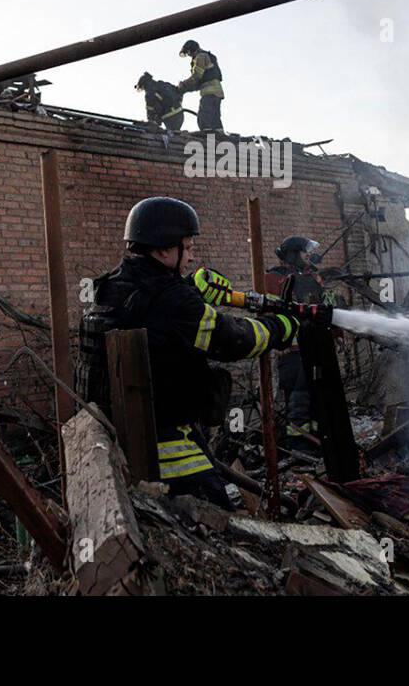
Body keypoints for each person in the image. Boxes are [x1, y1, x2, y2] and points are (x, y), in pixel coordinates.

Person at [82, 197, 298, 507]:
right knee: (217, 519)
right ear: (164, 249)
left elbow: (159, 322)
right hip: (164, 446)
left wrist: (193, 289)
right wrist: (280, 328)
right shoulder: (172, 300)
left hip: (117, 438)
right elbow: (232, 340)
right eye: (189, 247)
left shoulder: (112, 285)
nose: (192, 258)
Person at [264, 235, 332, 451]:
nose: (308, 256)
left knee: (316, 400)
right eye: (304, 252)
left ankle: (316, 444)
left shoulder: (313, 277)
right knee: (300, 400)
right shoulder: (274, 279)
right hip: (291, 353)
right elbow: (271, 312)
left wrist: (336, 335)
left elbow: (326, 308)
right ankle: (298, 448)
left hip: (315, 348)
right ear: (294, 254)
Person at [176, 39, 224, 131]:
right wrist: (185, 89)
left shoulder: (200, 57)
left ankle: (206, 138)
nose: (189, 55)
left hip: (209, 93)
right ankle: (219, 138)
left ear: (192, 50)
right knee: (215, 120)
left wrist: (183, 85)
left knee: (204, 119)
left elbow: (196, 77)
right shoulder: (206, 56)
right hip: (217, 93)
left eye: (188, 52)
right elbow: (199, 83)